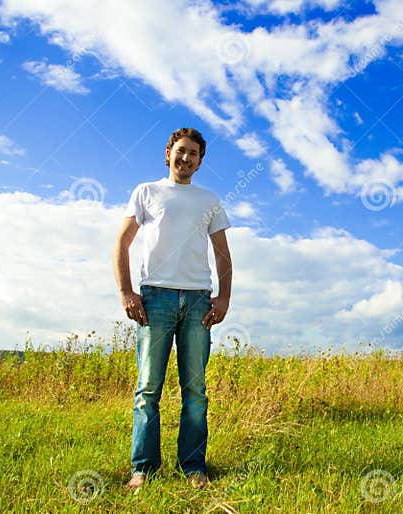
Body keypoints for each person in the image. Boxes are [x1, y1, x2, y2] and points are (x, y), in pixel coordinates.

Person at [113, 127, 232, 492]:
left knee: (195, 391)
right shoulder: (146, 192)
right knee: (148, 388)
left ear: (200, 160)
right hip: (156, 298)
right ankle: (143, 470)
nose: (186, 158)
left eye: (194, 153)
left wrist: (224, 297)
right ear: (168, 154)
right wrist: (126, 292)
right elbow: (122, 242)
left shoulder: (209, 200)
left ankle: (193, 466)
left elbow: (223, 254)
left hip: (198, 300)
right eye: (181, 151)